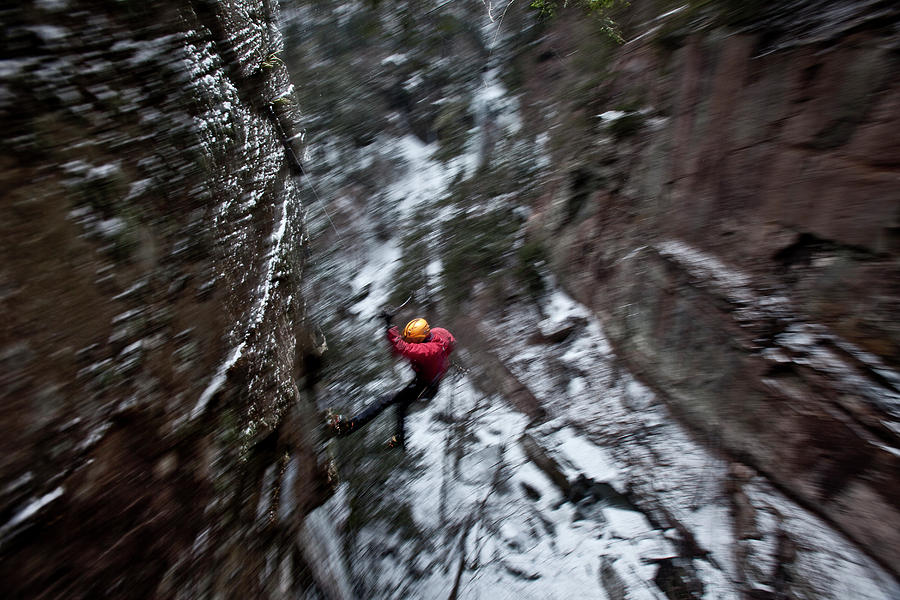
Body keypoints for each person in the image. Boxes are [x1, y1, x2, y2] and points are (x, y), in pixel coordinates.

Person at [328, 316, 455, 449]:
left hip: (425, 388)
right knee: (401, 406)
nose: (409, 342)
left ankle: (349, 426)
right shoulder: (438, 333)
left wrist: (390, 326)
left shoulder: (429, 350)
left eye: (411, 340)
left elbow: (403, 348)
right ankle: (400, 439)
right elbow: (451, 339)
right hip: (426, 381)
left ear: (420, 338)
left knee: (386, 400)